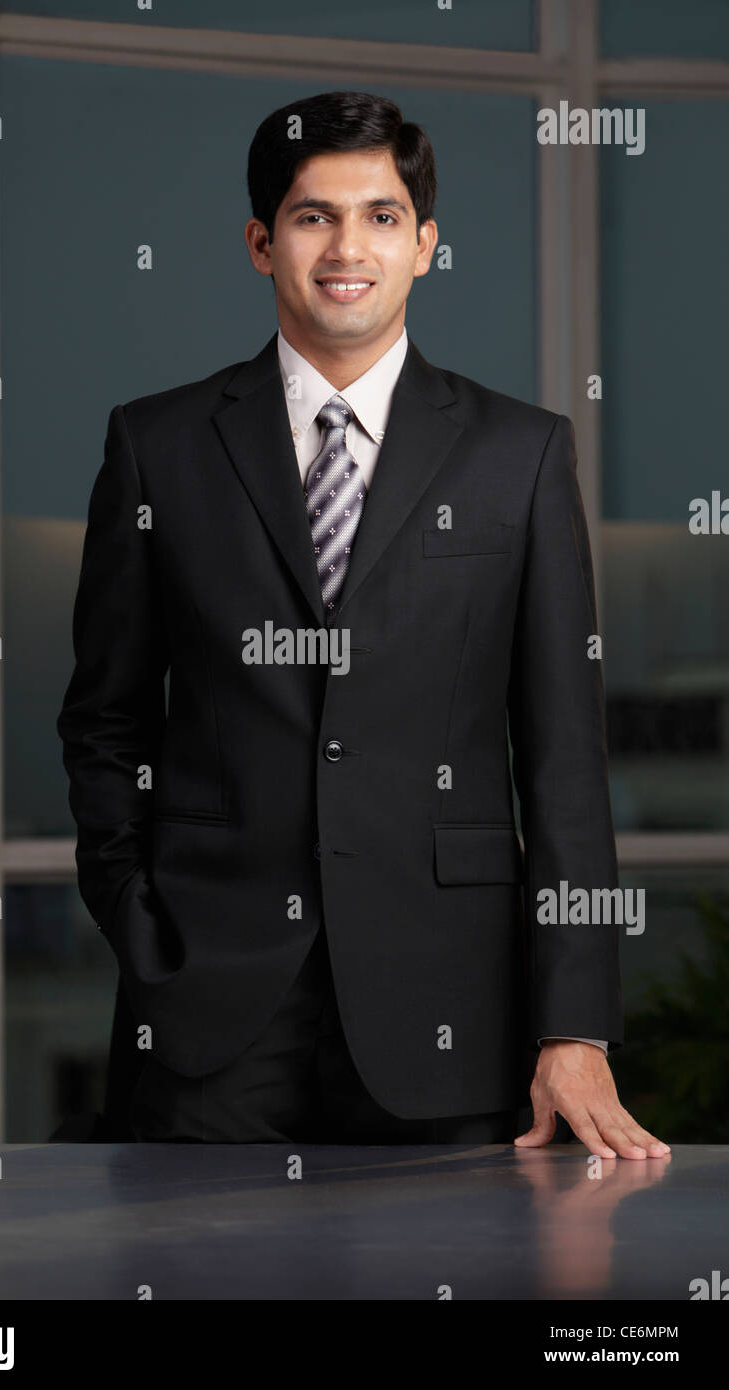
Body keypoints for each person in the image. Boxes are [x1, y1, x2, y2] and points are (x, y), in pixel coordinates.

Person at [57, 90, 669, 1158]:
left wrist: (571, 1022)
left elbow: (564, 760)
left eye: (381, 216)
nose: (348, 247)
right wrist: (141, 923)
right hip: (205, 1014)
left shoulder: (518, 455)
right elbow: (104, 722)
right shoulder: (158, 447)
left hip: (451, 1011)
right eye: (311, 216)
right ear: (260, 242)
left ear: (425, 244)